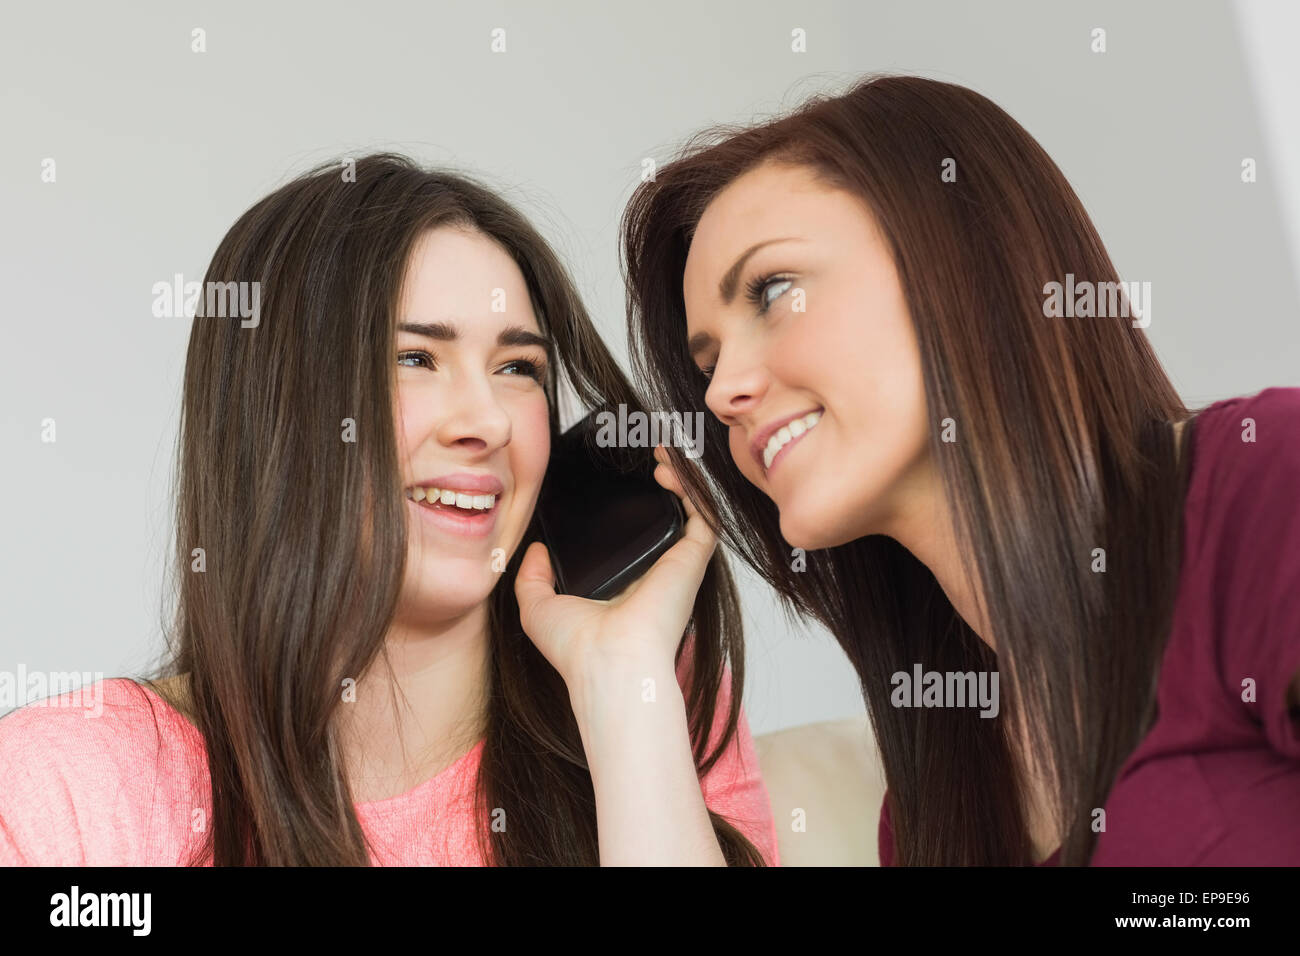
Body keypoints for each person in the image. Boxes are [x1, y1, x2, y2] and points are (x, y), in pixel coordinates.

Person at [0, 154, 778, 866]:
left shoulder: (652, 693)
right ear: (278, 414)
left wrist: (623, 685)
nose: (488, 421)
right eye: (416, 358)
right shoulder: (71, 786)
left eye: (517, 366)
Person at [622, 75, 1300, 865]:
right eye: (706, 362)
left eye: (773, 291)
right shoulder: (929, 809)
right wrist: (625, 666)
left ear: (963, 255)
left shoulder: (1262, 490)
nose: (723, 392)